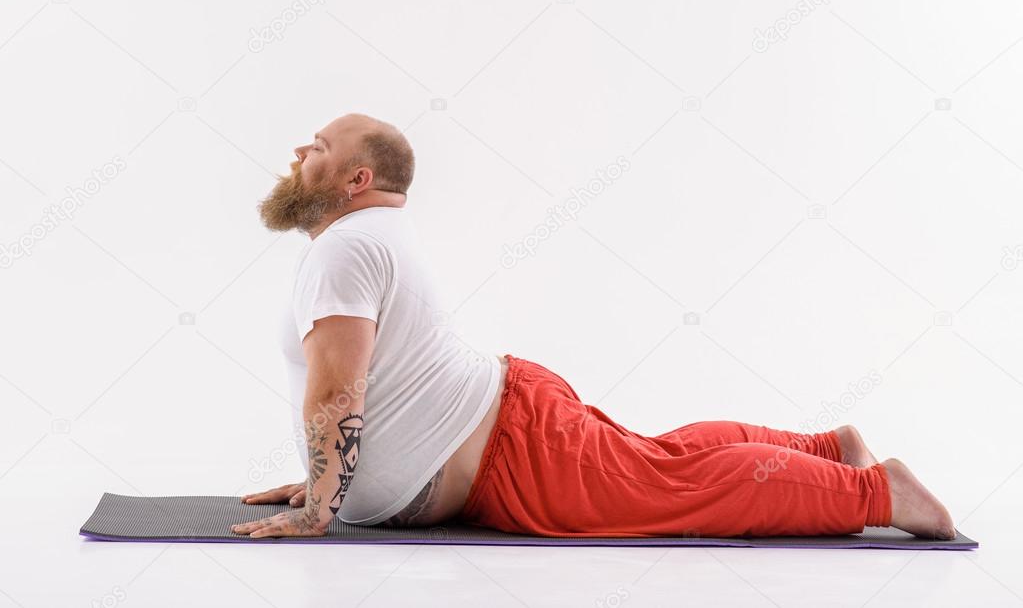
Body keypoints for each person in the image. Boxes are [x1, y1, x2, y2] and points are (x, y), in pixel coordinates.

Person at [231, 113, 956, 541]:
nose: (300, 152)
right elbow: (364, 386)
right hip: (509, 432)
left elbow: (338, 391)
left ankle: (879, 493)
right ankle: (829, 447)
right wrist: (324, 475)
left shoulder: (348, 246)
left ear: (355, 181)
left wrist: (322, 504)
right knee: (664, 463)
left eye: (318, 146)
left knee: (682, 487)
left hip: (516, 452)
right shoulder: (366, 240)